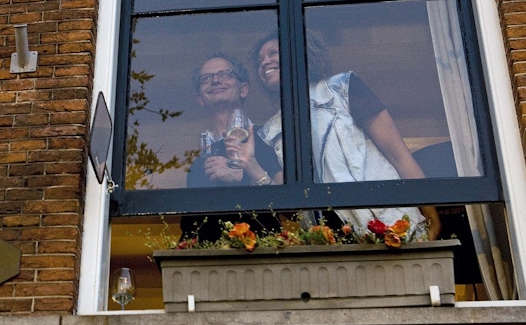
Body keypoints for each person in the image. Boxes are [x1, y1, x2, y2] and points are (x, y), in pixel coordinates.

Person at [249, 31, 441, 239]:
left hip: (390, 229)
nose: (264, 62)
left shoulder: (344, 89)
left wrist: (432, 218)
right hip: (328, 245)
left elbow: (399, 155)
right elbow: (289, 208)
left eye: (273, 53)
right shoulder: (268, 133)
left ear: (299, 54)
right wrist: (250, 165)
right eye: (260, 60)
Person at [181, 54, 283, 242]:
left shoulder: (268, 138)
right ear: (200, 98)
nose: (216, 81)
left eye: (225, 74)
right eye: (206, 79)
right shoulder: (197, 163)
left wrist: (245, 175)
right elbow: (192, 227)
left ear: (243, 89)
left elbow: (288, 207)